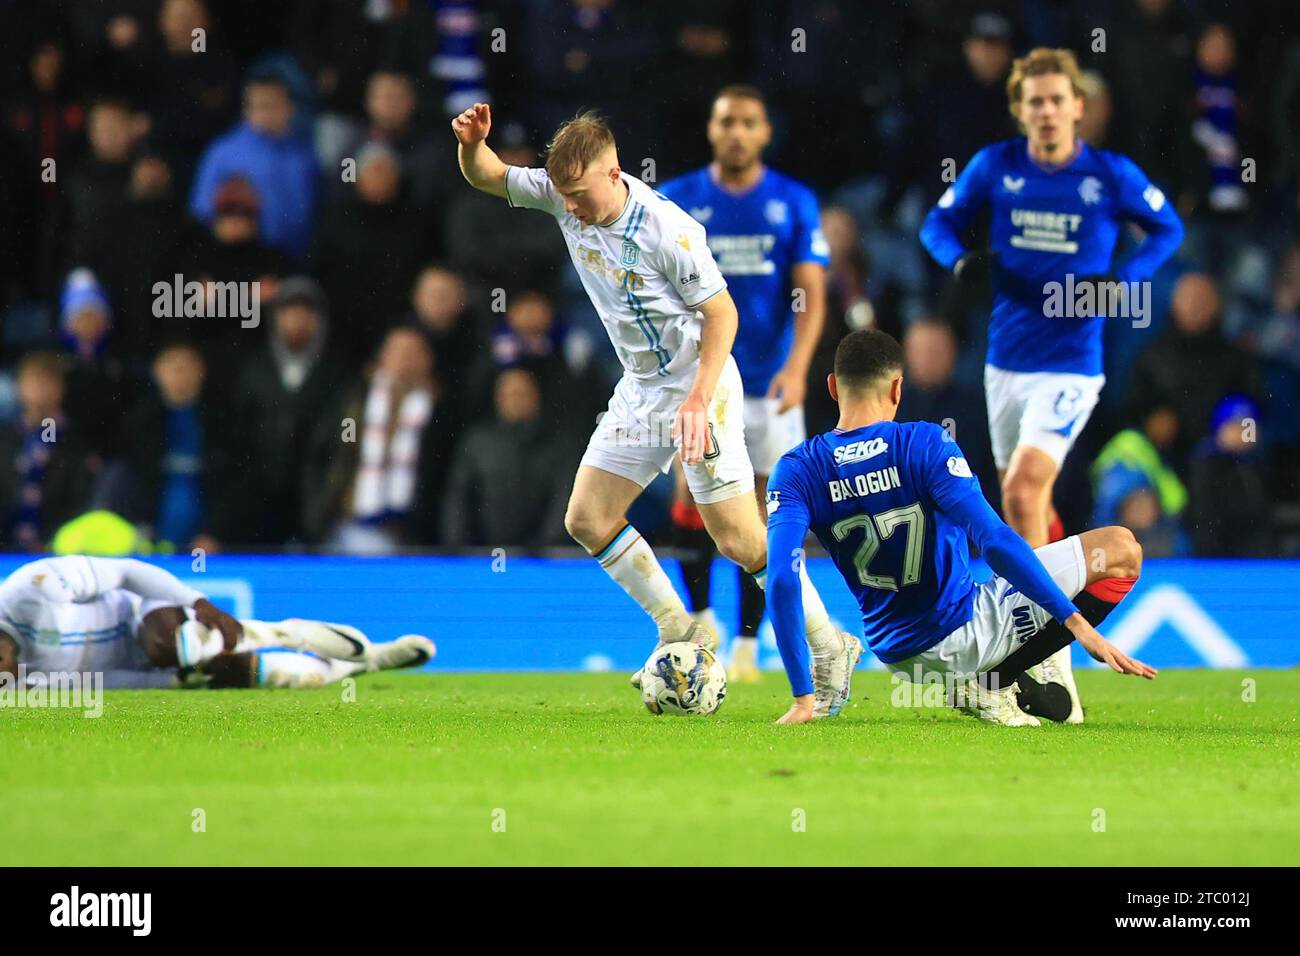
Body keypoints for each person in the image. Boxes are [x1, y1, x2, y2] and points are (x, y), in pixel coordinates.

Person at [452, 103, 857, 713]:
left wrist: (698, 401)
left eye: (582, 196)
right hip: (642, 388)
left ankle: (830, 646)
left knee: (742, 543)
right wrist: (471, 142)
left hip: (701, 383)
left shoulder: (669, 229)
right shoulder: (565, 194)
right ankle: (681, 628)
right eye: (565, 196)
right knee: (588, 517)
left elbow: (723, 314)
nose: (574, 209)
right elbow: (486, 174)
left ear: (615, 175)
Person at [919, 47, 1183, 717]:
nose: (1045, 111)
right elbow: (936, 224)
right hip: (1005, 361)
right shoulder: (995, 167)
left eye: (1055, 99)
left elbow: (1166, 228)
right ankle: (1042, 634)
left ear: (1077, 107)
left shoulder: (1107, 174)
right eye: (1032, 101)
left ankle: (1050, 666)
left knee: (1023, 488)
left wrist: (1123, 281)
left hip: (1070, 363)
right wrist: (960, 263)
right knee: (1023, 512)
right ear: (1020, 110)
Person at [764, 330, 1156, 726]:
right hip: (965, 632)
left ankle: (997, 678)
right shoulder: (924, 443)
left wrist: (802, 697)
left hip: (896, 655)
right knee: (1122, 549)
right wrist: (1076, 623)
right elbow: (996, 541)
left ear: (833, 387)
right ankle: (994, 682)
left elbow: (781, 579)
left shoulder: (797, 468)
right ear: (898, 387)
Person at [657, 84, 830, 683]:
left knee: (763, 512)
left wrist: (799, 366)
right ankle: (702, 618)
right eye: (726, 120)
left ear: (764, 133)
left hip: (769, 382)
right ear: (711, 129)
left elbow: (810, 290)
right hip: (701, 379)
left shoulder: (793, 200)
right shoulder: (678, 198)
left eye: (748, 122)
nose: (736, 132)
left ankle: (750, 647)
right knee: (691, 499)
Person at [0, 555, 434, 691]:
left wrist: (197, 601)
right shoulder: (21, 688)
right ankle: (364, 662)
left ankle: (280, 632)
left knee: (175, 646)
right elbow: (103, 682)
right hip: (144, 664)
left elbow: (127, 571)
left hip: (143, 615)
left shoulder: (30, 588)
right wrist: (174, 683)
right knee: (243, 674)